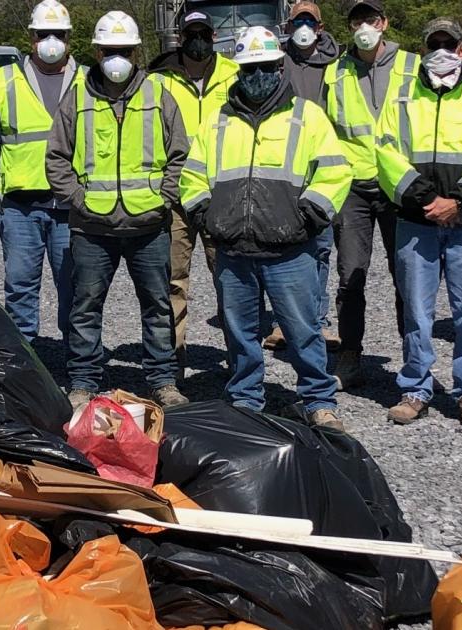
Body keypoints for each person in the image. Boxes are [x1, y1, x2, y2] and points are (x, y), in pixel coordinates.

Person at [179, 26, 351, 430]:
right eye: (250, 68)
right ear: (239, 71)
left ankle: (318, 401)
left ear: (280, 66)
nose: (258, 75)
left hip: (290, 251)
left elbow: (335, 173)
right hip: (233, 251)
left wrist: (308, 216)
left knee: (303, 331)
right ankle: (245, 399)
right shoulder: (218, 120)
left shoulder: (306, 116)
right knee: (239, 334)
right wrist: (205, 215)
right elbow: (192, 176)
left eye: (266, 66)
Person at [46, 11, 190, 409]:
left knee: (158, 306)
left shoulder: (158, 94)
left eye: (123, 50)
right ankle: (83, 381)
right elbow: (56, 157)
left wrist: (165, 196)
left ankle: (163, 381)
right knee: (85, 307)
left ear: (136, 51)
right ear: (96, 50)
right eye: (109, 50)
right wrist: (78, 199)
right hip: (92, 229)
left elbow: (181, 152)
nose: (116, 58)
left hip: (149, 225)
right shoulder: (76, 97)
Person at [376, 18, 462, 427]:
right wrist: (428, 199)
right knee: (416, 311)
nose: (441, 50)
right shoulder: (400, 97)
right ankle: (415, 387)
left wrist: (460, 201)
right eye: (434, 43)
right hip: (418, 222)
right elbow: (386, 154)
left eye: (448, 43)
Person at [0, 0, 83, 344]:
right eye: (44, 33)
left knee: (76, 290)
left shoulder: (87, 80)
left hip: (71, 206)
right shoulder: (6, 81)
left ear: (68, 38)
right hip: (20, 207)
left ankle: (77, 363)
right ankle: (27, 364)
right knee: (20, 289)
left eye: (58, 34)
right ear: (31, 38)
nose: (51, 40)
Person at [324, 0, 419, 389]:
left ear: (383, 23)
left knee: (409, 277)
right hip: (354, 190)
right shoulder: (335, 71)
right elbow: (327, 128)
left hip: (402, 186)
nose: (363, 26)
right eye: (356, 20)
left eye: (369, 19)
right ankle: (350, 353)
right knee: (350, 276)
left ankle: (414, 359)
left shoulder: (413, 67)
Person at [147, 8, 239, 373]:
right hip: (176, 196)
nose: (197, 40)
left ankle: (238, 357)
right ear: (180, 38)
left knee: (231, 280)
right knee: (172, 280)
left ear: (213, 36)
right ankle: (173, 358)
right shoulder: (160, 80)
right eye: (190, 34)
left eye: (203, 33)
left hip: (222, 196)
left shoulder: (235, 75)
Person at [263, 0, 341, 353]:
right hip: (284, 168)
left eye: (310, 20)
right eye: (298, 21)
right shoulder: (277, 60)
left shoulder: (338, 65)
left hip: (322, 167)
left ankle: (319, 321)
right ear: (288, 25)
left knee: (321, 250)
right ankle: (283, 323)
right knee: (286, 247)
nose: (304, 26)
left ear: (320, 26)